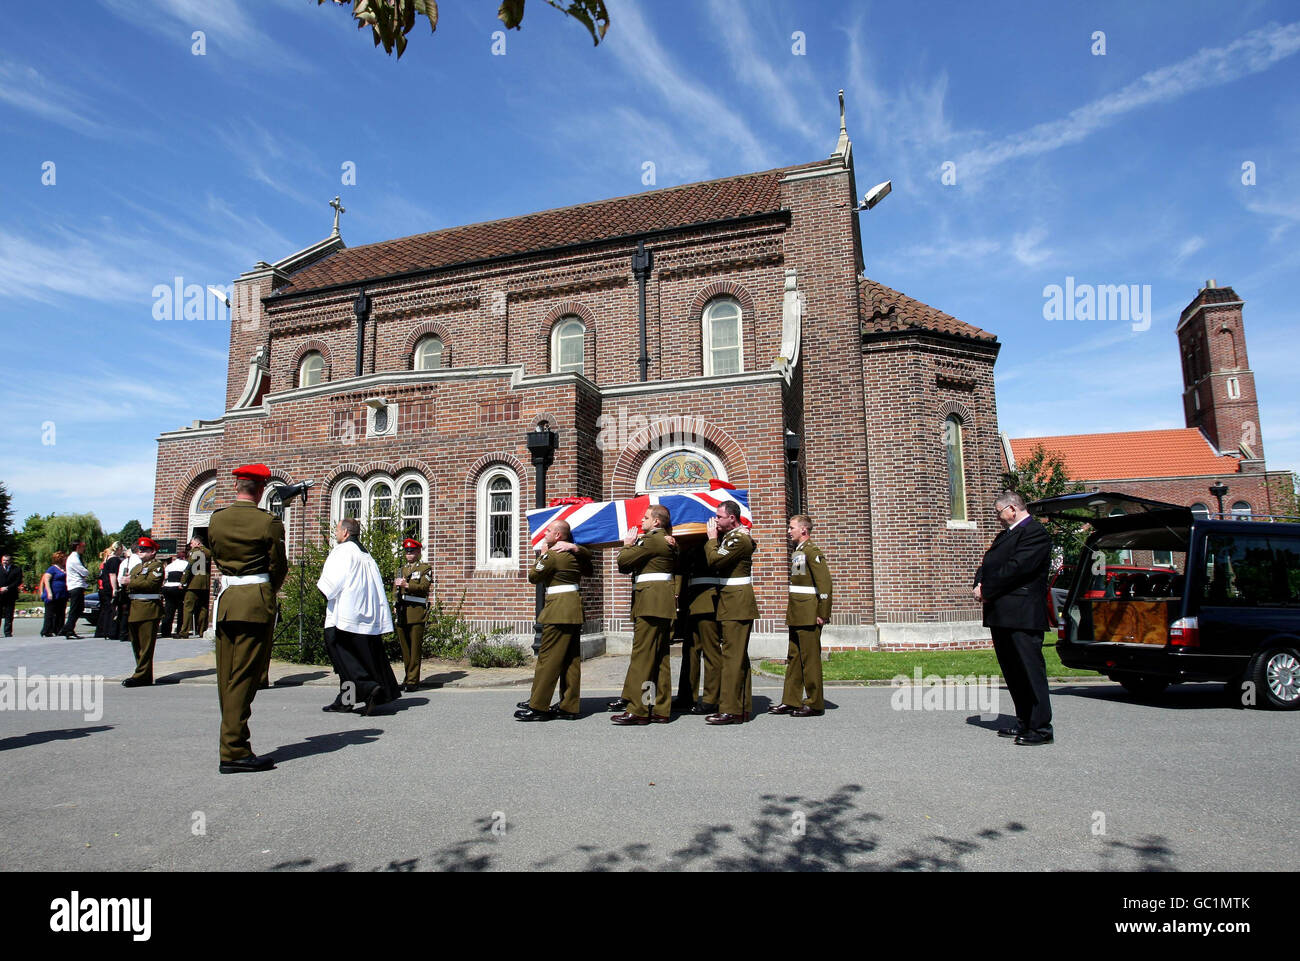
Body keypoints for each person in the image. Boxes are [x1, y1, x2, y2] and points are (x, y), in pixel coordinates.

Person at [207, 463, 288, 774]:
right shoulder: (268, 522)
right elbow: (278, 566)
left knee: (226, 676)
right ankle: (234, 750)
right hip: (255, 603)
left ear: (236, 487)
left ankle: (232, 743)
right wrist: (267, 589)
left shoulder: (217, 520)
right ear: (262, 490)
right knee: (244, 677)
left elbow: (217, 557)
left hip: (226, 603)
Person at [973, 490, 1054, 746]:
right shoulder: (1005, 535)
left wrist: (988, 588)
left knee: (1030, 672)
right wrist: (979, 582)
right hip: (1002, 614)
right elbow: (989, 564)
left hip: (1023, 615)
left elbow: (1018, 568)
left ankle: (1041, 728)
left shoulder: (1034, 534)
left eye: (999, 513)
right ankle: (1024, 721)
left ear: (1012, 509)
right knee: (1014, 673)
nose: (998, 518)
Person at [317, 517, 400, 715]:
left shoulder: (342, 551)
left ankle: (368, 687)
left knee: (343, 659)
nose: (335, 534)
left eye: (337, 530)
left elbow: (330, 585)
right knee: (357, 659)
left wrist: (323, 595)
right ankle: (346, 700)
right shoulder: (366, 555)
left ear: (345, 533)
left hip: (343, 616)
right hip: (366, 616)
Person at [516, 519, 592, 721]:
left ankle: (539, 705)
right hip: (573, 609)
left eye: (548, 531)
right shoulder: (574, 555)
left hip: (558, 610)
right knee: (570, 660)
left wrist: (541, 555)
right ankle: (569, 706)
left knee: (548, 659)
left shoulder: (552, 555)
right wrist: (576, 547)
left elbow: (534, 576)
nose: (544, 534)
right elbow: (589, 566)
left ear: (558, 535)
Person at [611, 505, 676, 726]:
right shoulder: (666, 539)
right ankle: (659, 708)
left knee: (642, 657)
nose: (642, 520)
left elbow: (623, 563)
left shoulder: (652, 540)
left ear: (657, 522)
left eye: (646, 517)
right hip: (661, 603)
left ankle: (638, 709)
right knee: (658, 658)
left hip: (650, 603)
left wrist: (627, 545)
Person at [770, 515, 833, 717]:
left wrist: (823, 613)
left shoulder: (812, 551)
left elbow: (825, 584)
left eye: (792, 528)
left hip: (809, 614)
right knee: (794, 657)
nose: (789, 531)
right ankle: (791, 700)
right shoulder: (799, 552)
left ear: (804, 530)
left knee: (810, 659)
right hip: (798, 612)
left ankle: (815, 702)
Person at [704, 501, 757, 725]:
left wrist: (711, 540)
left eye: (720, 516)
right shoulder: (735, 537)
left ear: (732, 518)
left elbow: (714, 560)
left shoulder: (738, 539)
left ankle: (730, 709)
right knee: (737, 658)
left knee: (732, 658)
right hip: (732, 602)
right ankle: (741, 707)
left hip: (736, 603)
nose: (716, 520)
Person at [674, 539, 722, 714]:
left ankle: (711, 699)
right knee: (690, 651)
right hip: (692, 600)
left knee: (711, 652)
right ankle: (687, 696)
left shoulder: (714, 541)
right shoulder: (691, 545)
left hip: (708, 599)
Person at [121, 537, 166, 687]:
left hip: (148, 608)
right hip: (135, 607)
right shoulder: (136, 568)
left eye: (144, 549)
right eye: (139, 549)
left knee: (146, 646)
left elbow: (150, 584)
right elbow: (131, 586)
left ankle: (141, 675)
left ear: (153, 551)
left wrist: (130, 582)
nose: (140, 551)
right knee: (137, 645)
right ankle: (143, 674)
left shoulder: (157, 566)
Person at [392, 538, 433, 692]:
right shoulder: (400, 570)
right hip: (402, 613)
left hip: (416, 612)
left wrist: (408, 585)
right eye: (407, 551)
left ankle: (413, 681)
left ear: (418, 552)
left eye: (412, 551)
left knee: (415, 649)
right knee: (405, 649)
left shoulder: (424, 569)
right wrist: (394, 604)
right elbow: (394, 590)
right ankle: (408, 676)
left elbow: (424, 587)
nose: (409, 554)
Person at [179, 536, 212, 639]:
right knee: (203, 608)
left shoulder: (195, 551)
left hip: (194, 583)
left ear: (197, 543)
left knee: (188, 607)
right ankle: (202, 631)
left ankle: (184, 631)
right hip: (205, 583)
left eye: (192, 543)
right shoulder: (208, 552)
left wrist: (183, 581)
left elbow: (190, 567)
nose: (191, 545)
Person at [94, 544, 123, 639]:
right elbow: (112, 574)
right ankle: (109, 631)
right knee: (110, 610)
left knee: (104, 610)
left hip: (104, 587)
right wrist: (115, 589)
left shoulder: (107, 561)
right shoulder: (115, 560)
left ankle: (101, 630)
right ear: (118, 549)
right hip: (109, 587)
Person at [63, 539, 90, 638]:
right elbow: (84, 572)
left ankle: (68, 628)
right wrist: (86, 572)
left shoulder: (76, 557)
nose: (84, 549)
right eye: (83, 547)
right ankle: (68, 629)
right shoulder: (74, 558)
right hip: (76, 586)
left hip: (78, 585)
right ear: (78, 547)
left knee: (79, 608)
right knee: (75, 609)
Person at [160, 546, 189, 637]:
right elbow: (186, 576)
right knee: (181, 610)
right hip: (178, 588)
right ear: (184, 557)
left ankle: (165, 631)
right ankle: (180, 631)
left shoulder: (170, 565)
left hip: (167, 588)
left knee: (168, 610)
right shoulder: (186, 564)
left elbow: (165, 577)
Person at [38, 552, 68, 637]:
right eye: (64, 558)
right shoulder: (52, 569)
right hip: (53, 593)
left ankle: (58, 629)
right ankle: (46, 630)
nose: (65, 560)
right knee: (50, 613)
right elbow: (46, 580)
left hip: (62, 594)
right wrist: (49, 592)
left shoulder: (65, 568)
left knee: (61, 613)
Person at [0, 553, 22, 637]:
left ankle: (8, 632)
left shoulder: (16, 569)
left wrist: (8, 588)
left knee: (9, 614)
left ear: (10, 561)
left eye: (7, 560)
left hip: (10, 594)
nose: (5, 562)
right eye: (3, 560)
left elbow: (18, 581)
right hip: (0, 594)